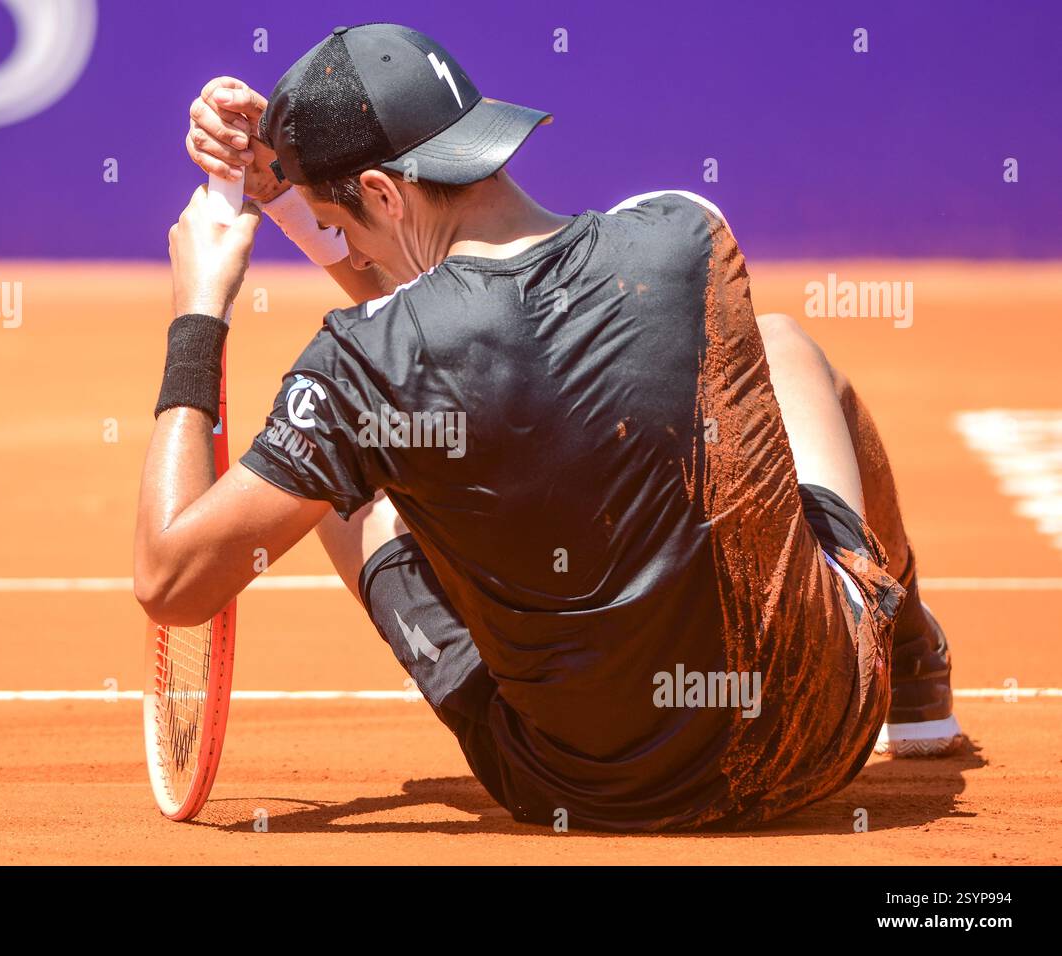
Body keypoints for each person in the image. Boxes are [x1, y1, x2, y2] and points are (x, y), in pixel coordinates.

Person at [135, 23, 962, 831]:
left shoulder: (363, 366)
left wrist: (199, 311)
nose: (347, 247)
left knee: (345, 492)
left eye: (343, 226)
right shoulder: (688, 237)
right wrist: (289, 191)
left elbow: (172, 586)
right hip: (822, 734)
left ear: (384, 194)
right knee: (783, 344)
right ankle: (913, 660)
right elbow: (453, 329)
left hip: (586, 790)